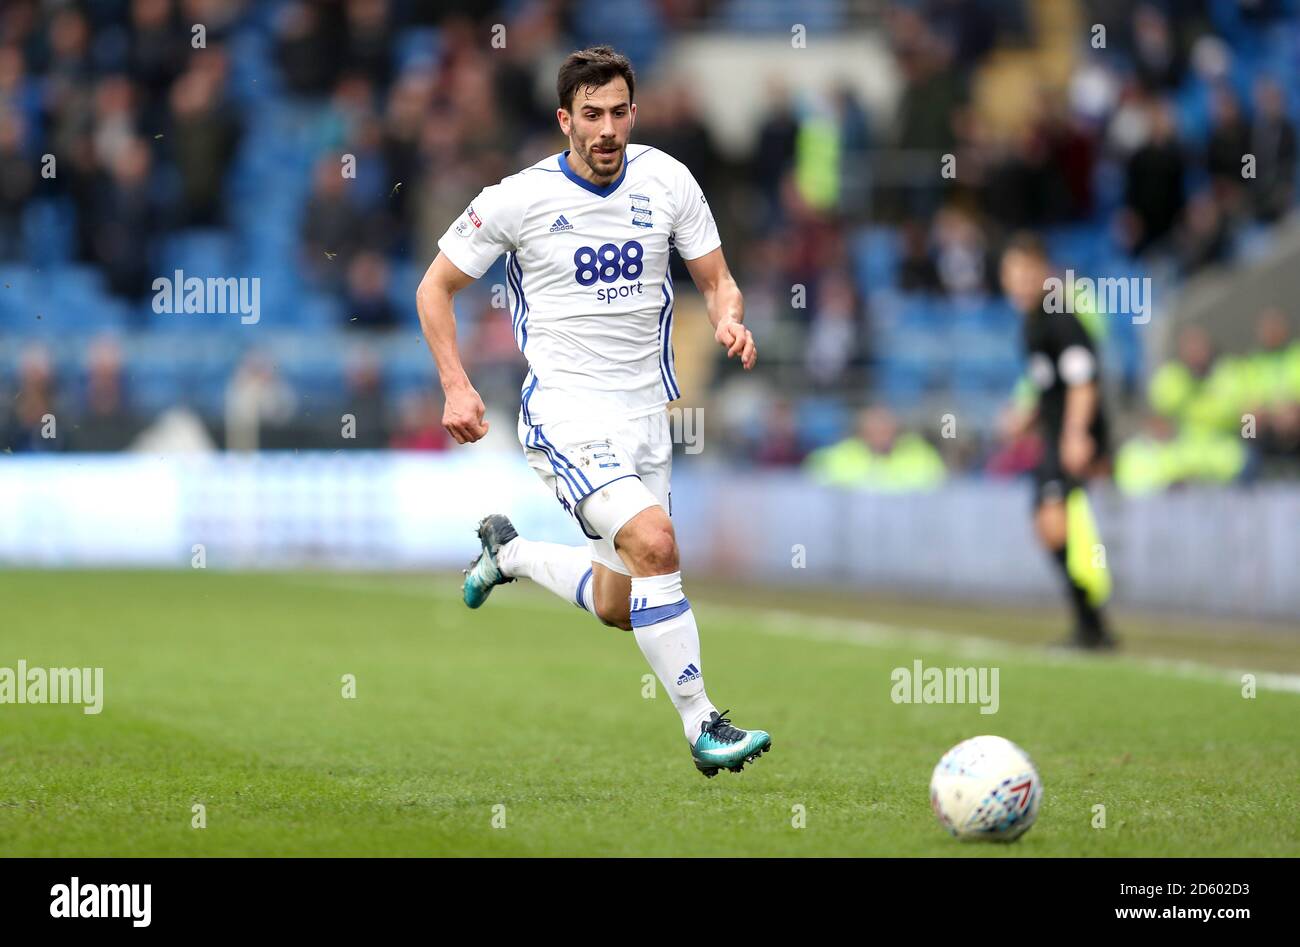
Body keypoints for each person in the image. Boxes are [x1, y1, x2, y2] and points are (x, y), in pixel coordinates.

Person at [415, 47, 770, 778]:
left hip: (647, 416)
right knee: (657, 543)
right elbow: (433, 288)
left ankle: (507, 554)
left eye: (619, 112)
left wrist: (730, 317)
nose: (607, 129)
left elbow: (719, 280)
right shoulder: (518, 198)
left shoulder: (669, 180)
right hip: (567, 414)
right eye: (592, 115)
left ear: (632, 112)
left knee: (621, 602)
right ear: (565, 120)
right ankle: (704, 722)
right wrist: (455, 383)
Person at [999, 233, 1117, 650]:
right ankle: (1090, 624)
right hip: (1054, 433)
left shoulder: (1060, 316)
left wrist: (1076, 435)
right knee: (1047, 525)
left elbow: (1084, 381)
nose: (1020, 282)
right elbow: (1050, 384)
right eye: (1013, 274)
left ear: (1044, 272)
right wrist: (1025, 418)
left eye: (1028, 273)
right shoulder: (1032, 322)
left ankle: (1093, 624)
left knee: (1054, 520)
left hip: (1074, 433)